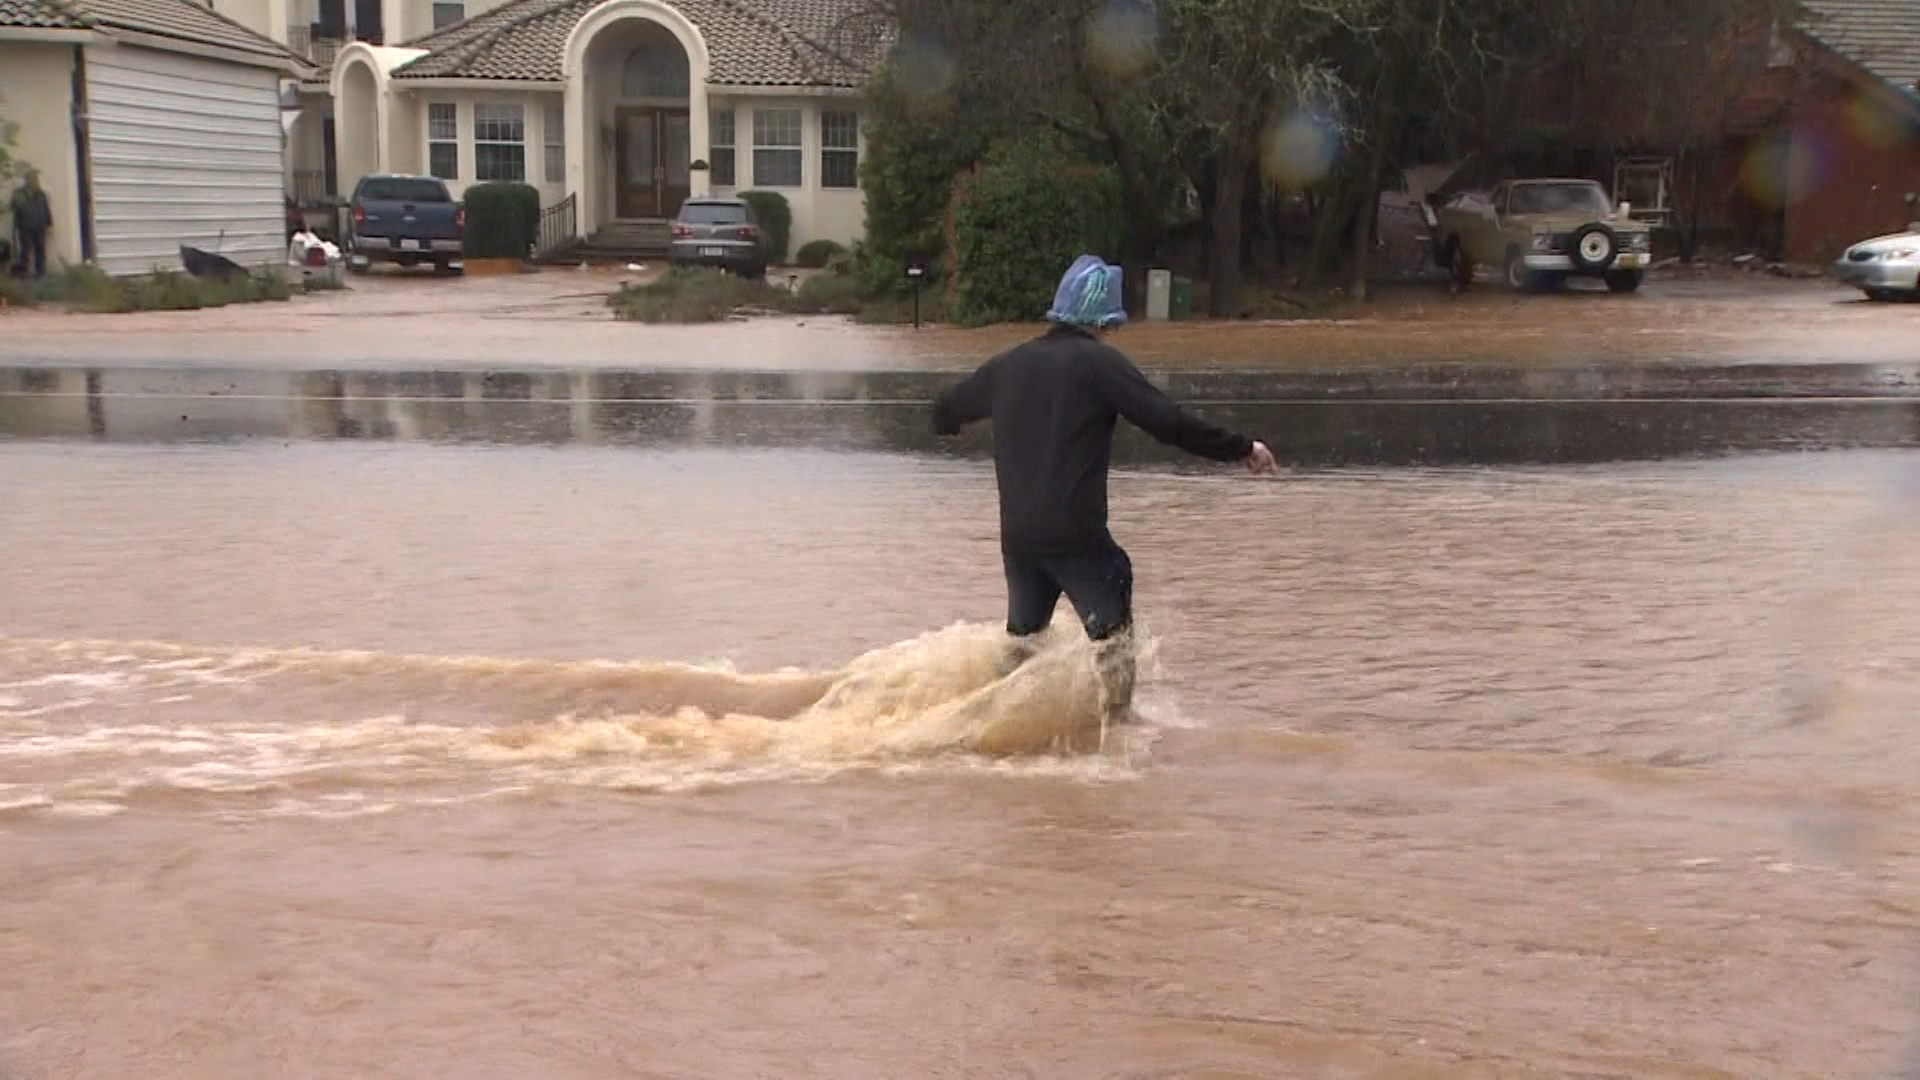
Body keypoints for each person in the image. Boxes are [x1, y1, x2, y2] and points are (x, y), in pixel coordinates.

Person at [931, 254, 1278, 726]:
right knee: (1113, 629)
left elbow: (946, 408)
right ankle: (1116, 735)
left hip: (1020, 539)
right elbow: (1168, 422)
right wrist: (1241, 448)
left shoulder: (1007, 366)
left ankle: (977, 723)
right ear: (1103, 318)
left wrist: (951, 424)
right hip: (1076, 535)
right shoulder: (1097, 365)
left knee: (1024, 641)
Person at [8, 171, 52, 279]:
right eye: (33, 179)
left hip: (39, 225)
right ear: (27, 181)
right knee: (25, 250)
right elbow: (13, 207)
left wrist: (49, 221)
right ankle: (23, 273)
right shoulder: (18, 193)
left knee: (40, 250)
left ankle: (40, 274)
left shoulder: (41, 194)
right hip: (25, 226)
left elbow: (45, 208)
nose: (35, 182)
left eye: (36, 179)